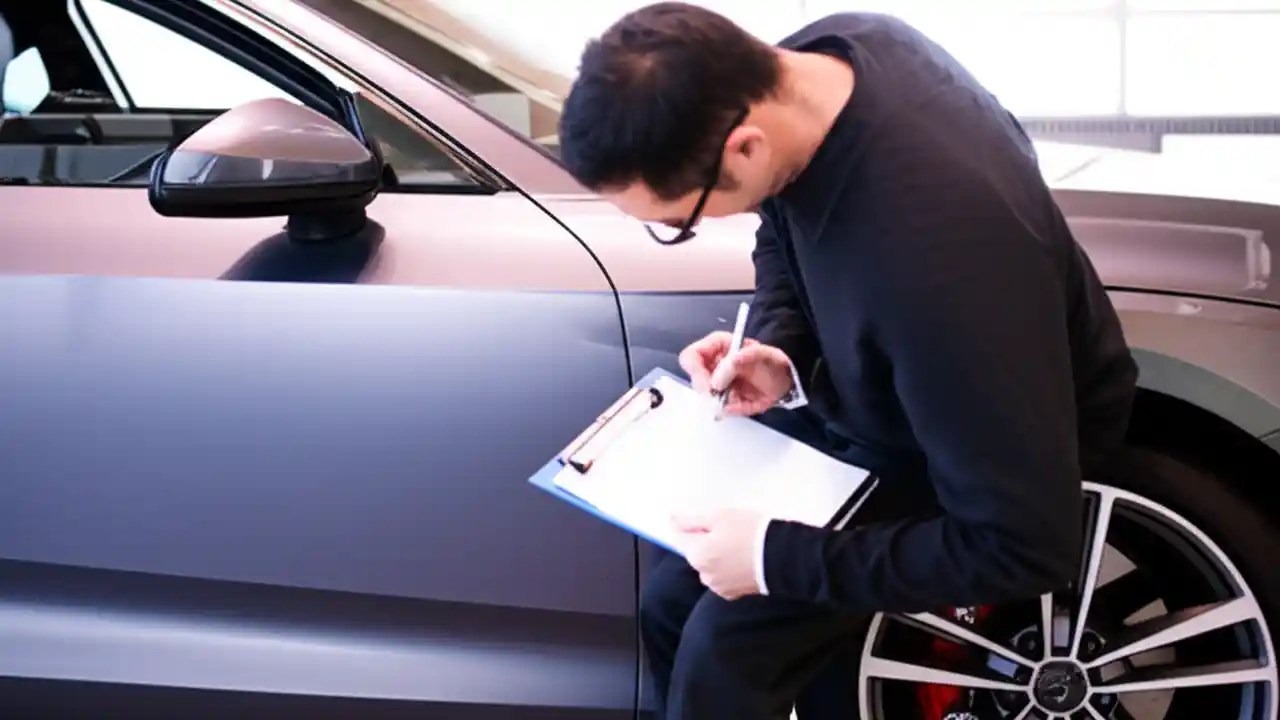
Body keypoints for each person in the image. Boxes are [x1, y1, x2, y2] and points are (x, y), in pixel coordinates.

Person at [556, 4, 1139, 719]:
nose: (697, 227)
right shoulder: (832, 59)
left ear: (743, 146)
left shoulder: (941, 266)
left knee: (725, 648)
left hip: (981, 445)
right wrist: (783, 347)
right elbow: (784, 223)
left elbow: (1022, 545)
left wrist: (777, 560)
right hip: (895, 394)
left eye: (681, 220)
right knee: (673, 596)